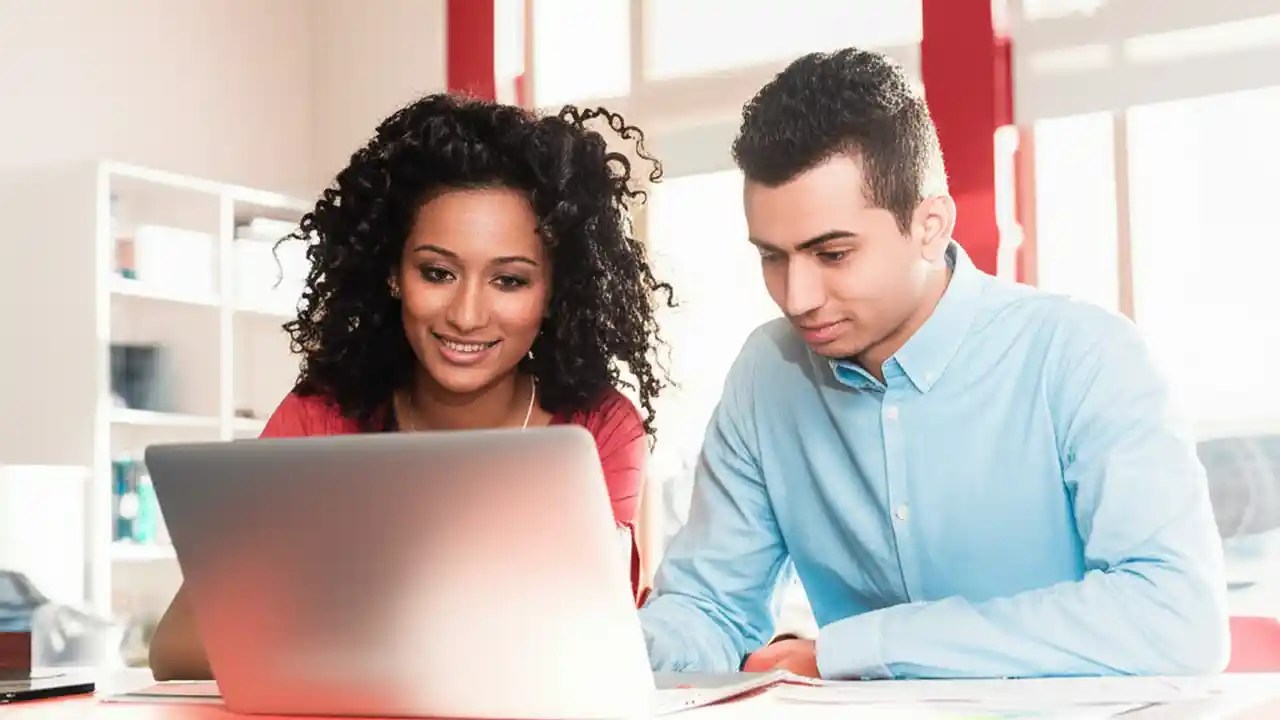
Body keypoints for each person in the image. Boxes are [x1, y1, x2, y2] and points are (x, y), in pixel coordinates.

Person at [638, 48, 1229, 680]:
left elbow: (1175, 620)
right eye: (772, 257)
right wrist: (583, 647)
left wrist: (856, 650)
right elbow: (709, 608)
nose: (796, 297)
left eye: (832, 254)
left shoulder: (1084, 356)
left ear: (930, 225)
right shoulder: (768, 374)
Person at [149, 94, 673, 680]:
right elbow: (176, 647)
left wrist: (336, 613)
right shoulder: (320, 417)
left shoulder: (599, 428)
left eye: (509, 280)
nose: (467, 315)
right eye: (437, 272)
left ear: (554, 292)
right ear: (394, 273)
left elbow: (583, 646)